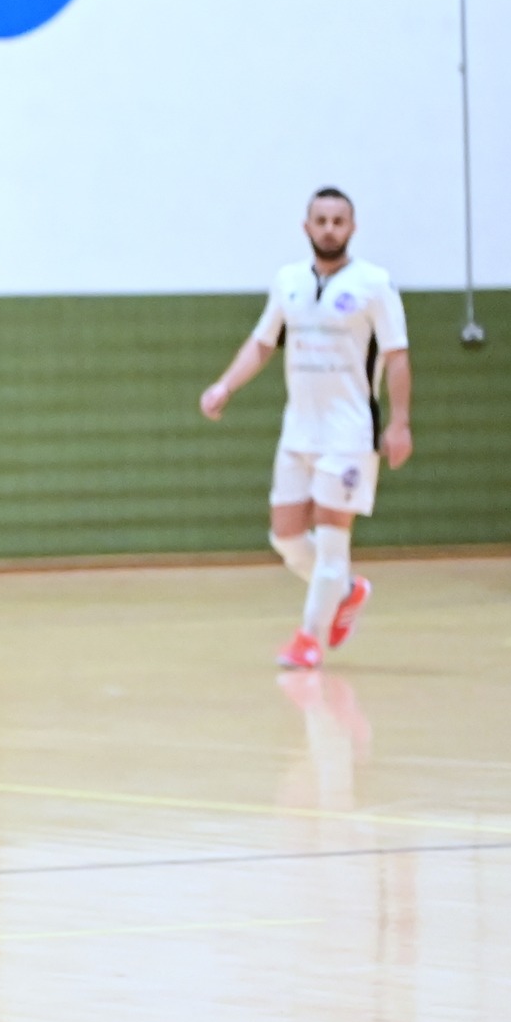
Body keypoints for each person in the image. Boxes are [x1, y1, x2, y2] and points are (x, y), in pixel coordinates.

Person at [201, 188, 412, 670]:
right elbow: (261, 343)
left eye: (339, 220)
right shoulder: (288, 281)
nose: (330, 228)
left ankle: (308, 639)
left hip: (349, 435)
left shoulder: (375, 284)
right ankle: (347, 592)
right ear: (306, 226)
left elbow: (398, 356)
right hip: (298, 432)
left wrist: (399, 422)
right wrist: (224, 386)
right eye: (321, 220)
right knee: (287, 538)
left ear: (352, 228)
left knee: (333, 540)